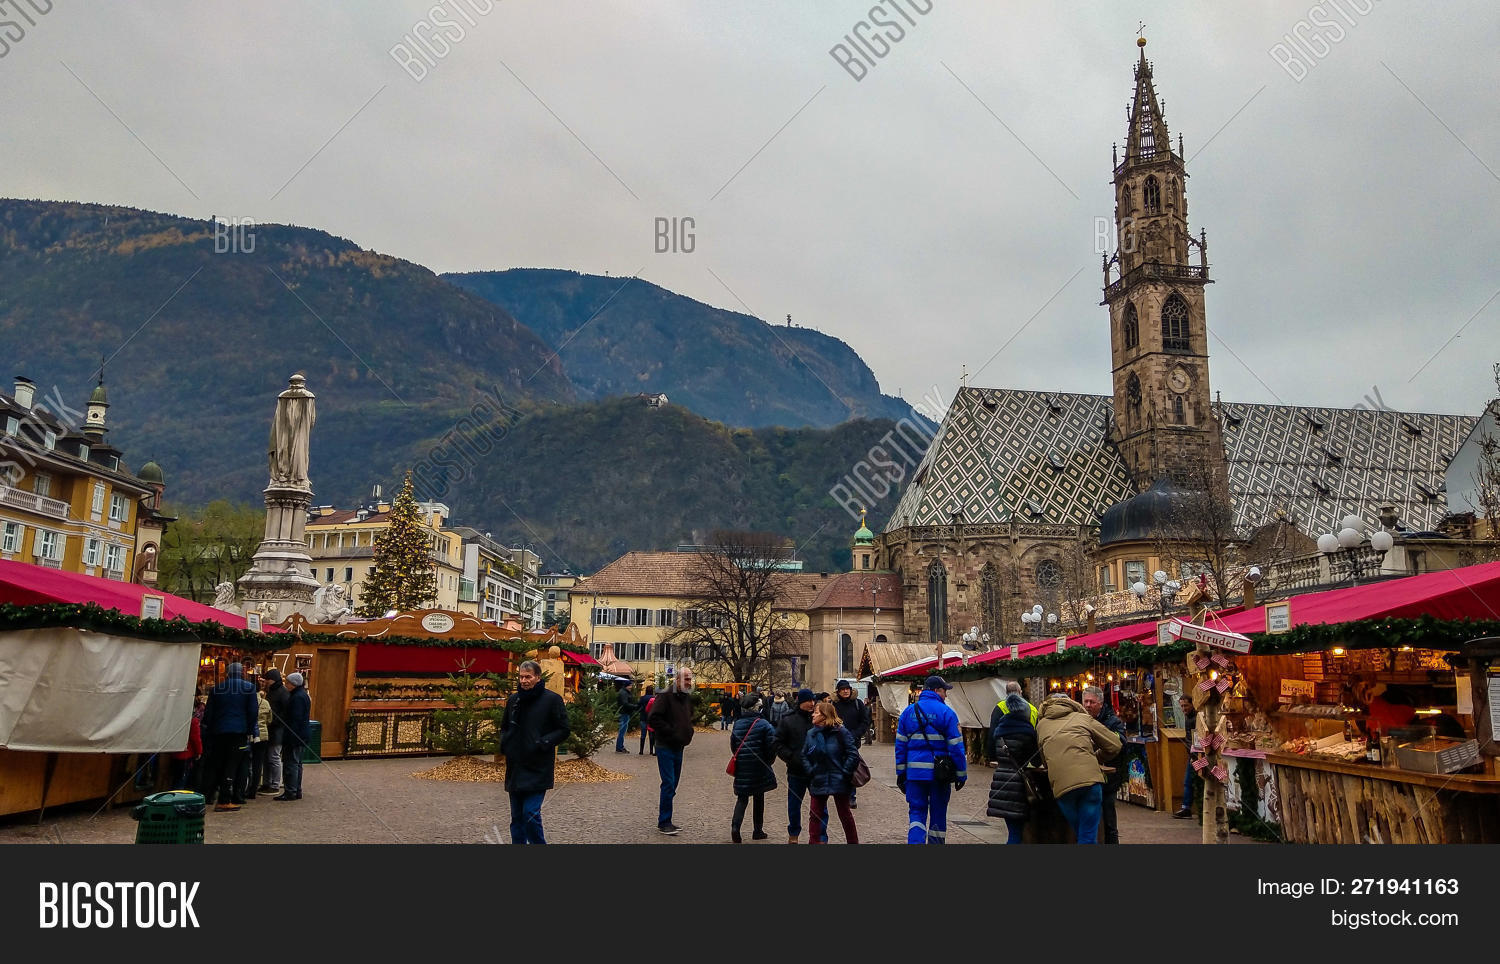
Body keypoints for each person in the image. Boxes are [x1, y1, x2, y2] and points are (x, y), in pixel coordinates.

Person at [498, 660, 570, 843]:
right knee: (517, 818)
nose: (524, 680)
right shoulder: (514, 700)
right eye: (521, 677)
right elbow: (504, 727)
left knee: (530, 814)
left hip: (538, 767)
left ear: (537, 677)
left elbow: (563, 729)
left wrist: (543, 742)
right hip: (515, 767)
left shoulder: (552, 700)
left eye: (528, 677)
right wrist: (505, 743)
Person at [1035, 691, 1122, 844]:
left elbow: (1045, 760)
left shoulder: (1041, 725)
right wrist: (1095, 757)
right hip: (1090, 782)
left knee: (1080, 832)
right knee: (1087, 836)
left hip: (1062, 786)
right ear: (1073, 704)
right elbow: (1115, 744)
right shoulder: (1083, 718)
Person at [894, 675, 968, 844]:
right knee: (938, 813)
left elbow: (900, 746)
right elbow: (956, 747)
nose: (946, 695)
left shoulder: (908, 712)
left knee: (916, 813)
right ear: (936, 691)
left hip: (914, 774)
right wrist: (961, 774)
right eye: (944, 691)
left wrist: (901, 772)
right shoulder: (947, 713)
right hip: (939, 775)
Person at [200, 661, 259, 812]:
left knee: (217, 763)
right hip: (238, 732)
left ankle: (208, 795)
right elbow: (253, 712)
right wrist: (250, 730)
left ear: (227, 673)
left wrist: (212, 729)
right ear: (242, 673)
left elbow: (209, 713)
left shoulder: (217, 688)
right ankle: (224, 800)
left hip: (219, 732)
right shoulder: (249, 688)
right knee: (232, 764)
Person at [801, 699, 860, 844]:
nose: (812, 715)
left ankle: (853, 842)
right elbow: (804, 755)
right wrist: (811, 771)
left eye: (816, 713)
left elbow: (853, 754)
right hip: (819, 778)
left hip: (839, 779)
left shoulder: (841, 732)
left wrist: (845, 772)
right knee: (815, 815)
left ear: (825, 715)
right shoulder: (811, 734)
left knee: (845, 814)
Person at [647, 667, 696, 835]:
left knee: (673, 784)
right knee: (668, 783)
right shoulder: (666, 695)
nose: (688, 682)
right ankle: (664, 822)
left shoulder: (686, 698)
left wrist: (688, 731)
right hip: (665, 746)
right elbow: (653, 718)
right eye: (685, 679)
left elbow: (689, 715)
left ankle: (667, 819)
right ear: (677, 680)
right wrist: (672, 731)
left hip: (679, 746)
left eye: (690, 679)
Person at [987, 689, 1039, 844]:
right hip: (1018, 785)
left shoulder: (999, 731)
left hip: (1001, 782)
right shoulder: (1027, 732)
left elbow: (993, 753)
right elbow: (1035, 760)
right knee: (1016, 833)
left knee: (1013, 830)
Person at [727, 692, 777, 842]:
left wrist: (740, 756)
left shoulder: (738, 724)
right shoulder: (763, 724)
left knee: (742, 798)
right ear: (757, 708)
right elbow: (771, 746)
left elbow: (733, 745)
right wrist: (768, 761)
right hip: (760, 765)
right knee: (759, 797)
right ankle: (758, 830)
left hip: (742, 765)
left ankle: (735, 827)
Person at [1081, 685, 1128, 844]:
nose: (1087, 705)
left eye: (1091, 702)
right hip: (1087, 776)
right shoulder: (1080, 719)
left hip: (1108, 778)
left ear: (1100, 703)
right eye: (1085, 701)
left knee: (1108, 817)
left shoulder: (1112, 721)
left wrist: (1098, 746)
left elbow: (1119, 743)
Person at [774, 688, 817, 843]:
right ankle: (794, 834)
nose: (812, 704)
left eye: (813, 700)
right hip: (795, 770)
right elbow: (778, 743)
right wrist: (791, 757)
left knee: (819, 805)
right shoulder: (788, 720)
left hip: (815, 770)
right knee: (794, 805)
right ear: (801, 701)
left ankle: (818, 834)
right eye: (808, 701)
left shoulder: (817, 718)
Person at [831, 680, 870, 808]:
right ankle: (841, 794)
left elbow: (865, 722)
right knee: (838, 768)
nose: (845, 691)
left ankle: (851, 796)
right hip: (837, 742)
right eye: (842, 689)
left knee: (852, 768)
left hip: (853, 741)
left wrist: (855, 734)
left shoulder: (858, 704)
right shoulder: (833, 705)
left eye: (847, 688)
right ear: (838, 691)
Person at [274, 672, 312, 802]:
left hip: (295, 735)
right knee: (297, 763)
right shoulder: (302, 695)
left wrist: (290, 736)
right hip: (301, 734)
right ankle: (296, 790)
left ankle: (291, 791)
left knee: (291, 763)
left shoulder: (297, 698)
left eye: (288, 683)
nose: (286, 685)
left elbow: (295, 719)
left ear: (294, 684)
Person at [261, 668, 289, 794]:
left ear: (271, 680)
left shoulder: (282, 693)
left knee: (273, 757)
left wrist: (274, 721)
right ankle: (267, 783)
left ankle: (275, 784)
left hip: (277, 730)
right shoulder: (273, 691)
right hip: (271, 728)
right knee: (268, 757)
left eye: (267, 679)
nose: (265, 682)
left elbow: (284, 713)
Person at [245, 680, 274, 800]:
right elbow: (269, 719)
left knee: (246, 762)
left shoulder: (246, 702)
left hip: (249, 735)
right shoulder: (265, 702)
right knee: (258, 763)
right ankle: (253, 790)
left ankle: (245, 786)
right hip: (263, 736)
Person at [170, 696, 204, 790]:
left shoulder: (175, 719)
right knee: (182, 779)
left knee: (176, 778)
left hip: (175, 752)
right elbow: (195, 738)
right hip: (186, 754)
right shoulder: (193, 721)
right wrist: (199, 752)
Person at [1173, 693, 1198, 818]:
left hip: (1196, 754)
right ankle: (1186, 807)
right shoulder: (1188, 717)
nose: (1184, 709)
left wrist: (1194, 754)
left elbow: (1195, 738)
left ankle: (1187, 807)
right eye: (1182, 706)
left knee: (1189, 781)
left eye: (1186, 706)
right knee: (1189, 781)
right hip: (1192, 753)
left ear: (1192, 704)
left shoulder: (1195, 718)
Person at [614, 680, 635, 753]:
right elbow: (625, 703)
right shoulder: (624, 693)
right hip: (624, 713)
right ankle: (620, 747)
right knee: (622, 731)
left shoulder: (624, 692)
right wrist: (634, 706)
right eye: (631, 685)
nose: (631, 687)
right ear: (627, 685)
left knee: (622, 730)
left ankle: (619, 746)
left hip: (624, 712)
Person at [638, 684, 656, 755]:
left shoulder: (642, 698)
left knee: (643, 735)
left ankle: (641, 751)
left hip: (643, 717)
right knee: (652, 735)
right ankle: (651, 750)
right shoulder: (654, 698)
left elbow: (638, 705)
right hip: (651, 719)